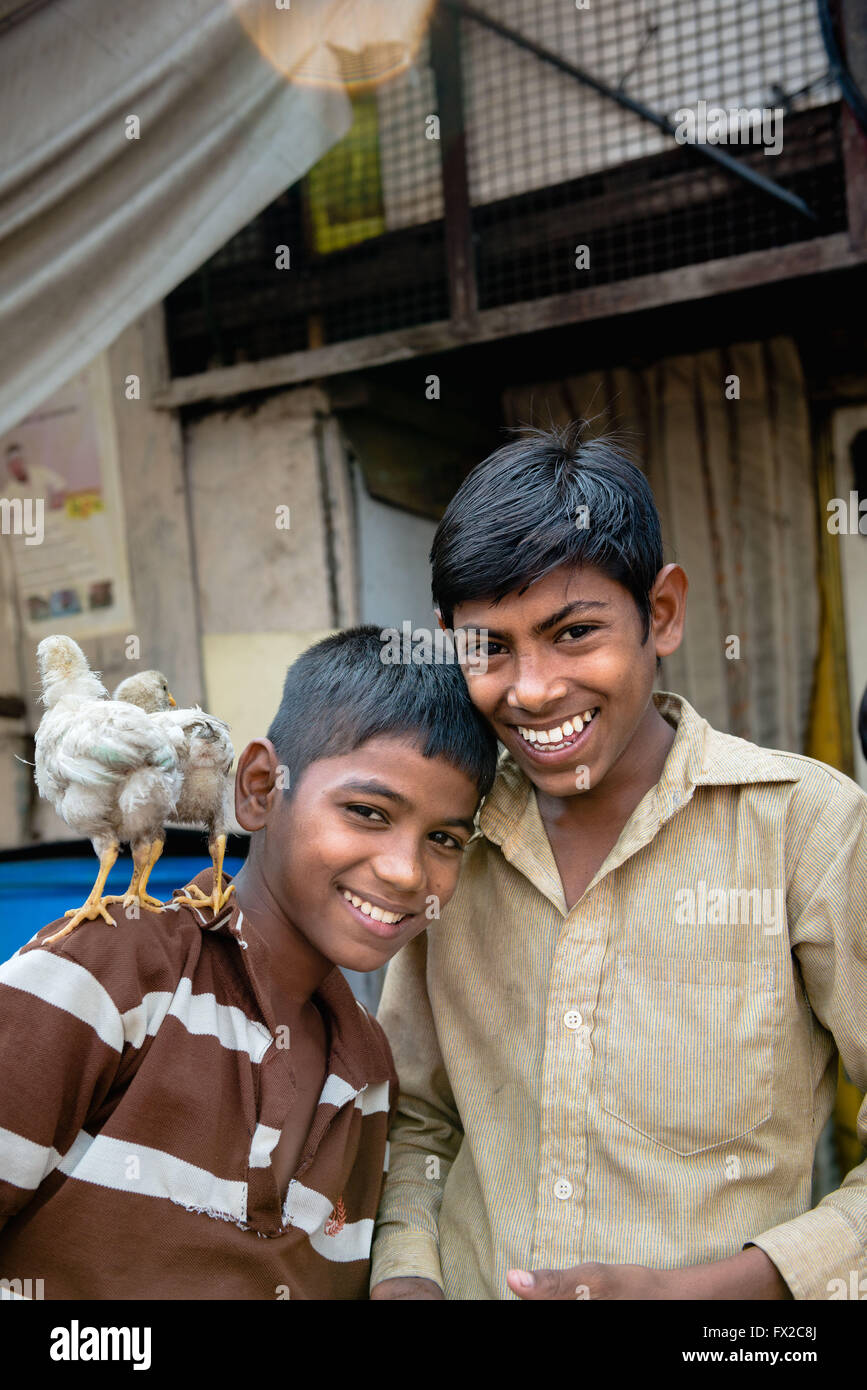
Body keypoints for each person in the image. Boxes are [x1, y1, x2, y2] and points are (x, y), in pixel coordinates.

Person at [370, 421, 867, 1302]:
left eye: (573, 633)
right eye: (490, 647)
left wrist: (715, 1293)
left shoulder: (806, 830)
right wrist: (407, 1276)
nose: (531, 689)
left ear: (662, 613)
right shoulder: (449, 841)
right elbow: (417, 1120)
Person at [0, 626, 497, 1299]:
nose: (406, 871)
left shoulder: (367, 1073)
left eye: (443, 839)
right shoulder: (111, 973)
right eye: (367, 811)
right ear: (260, 788)